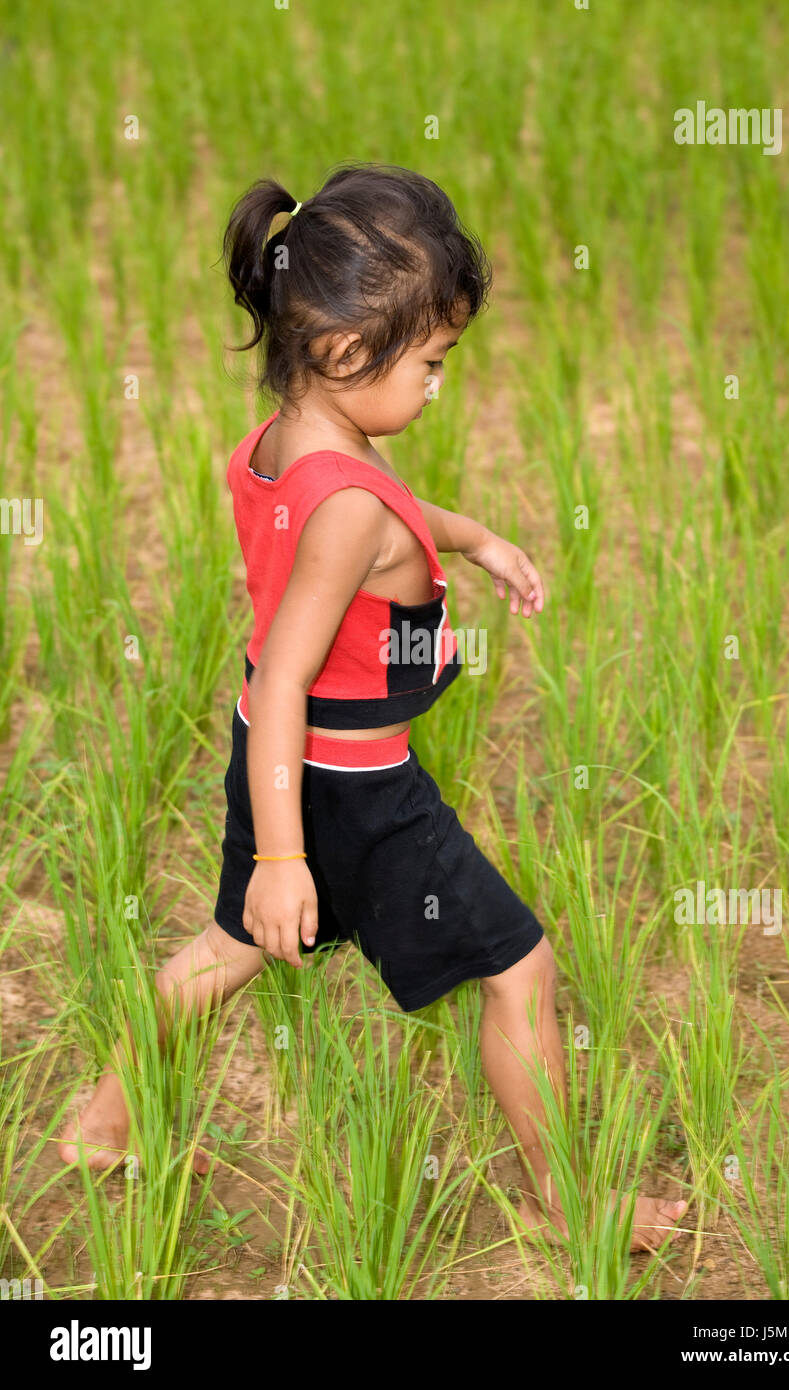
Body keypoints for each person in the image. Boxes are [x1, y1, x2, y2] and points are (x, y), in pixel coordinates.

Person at [59, 162, 687, 1253]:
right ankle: (564, 1206)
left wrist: (476, 536)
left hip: (277, 756)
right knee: (519, 969)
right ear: (348, 353)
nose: (440, 382)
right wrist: (287, 858)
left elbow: (381, 506)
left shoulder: (287, 447)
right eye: (433, 362)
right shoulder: (345, 506)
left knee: (222, 951)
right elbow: (302, 654)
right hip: (350, 786)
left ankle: (101, 1128)